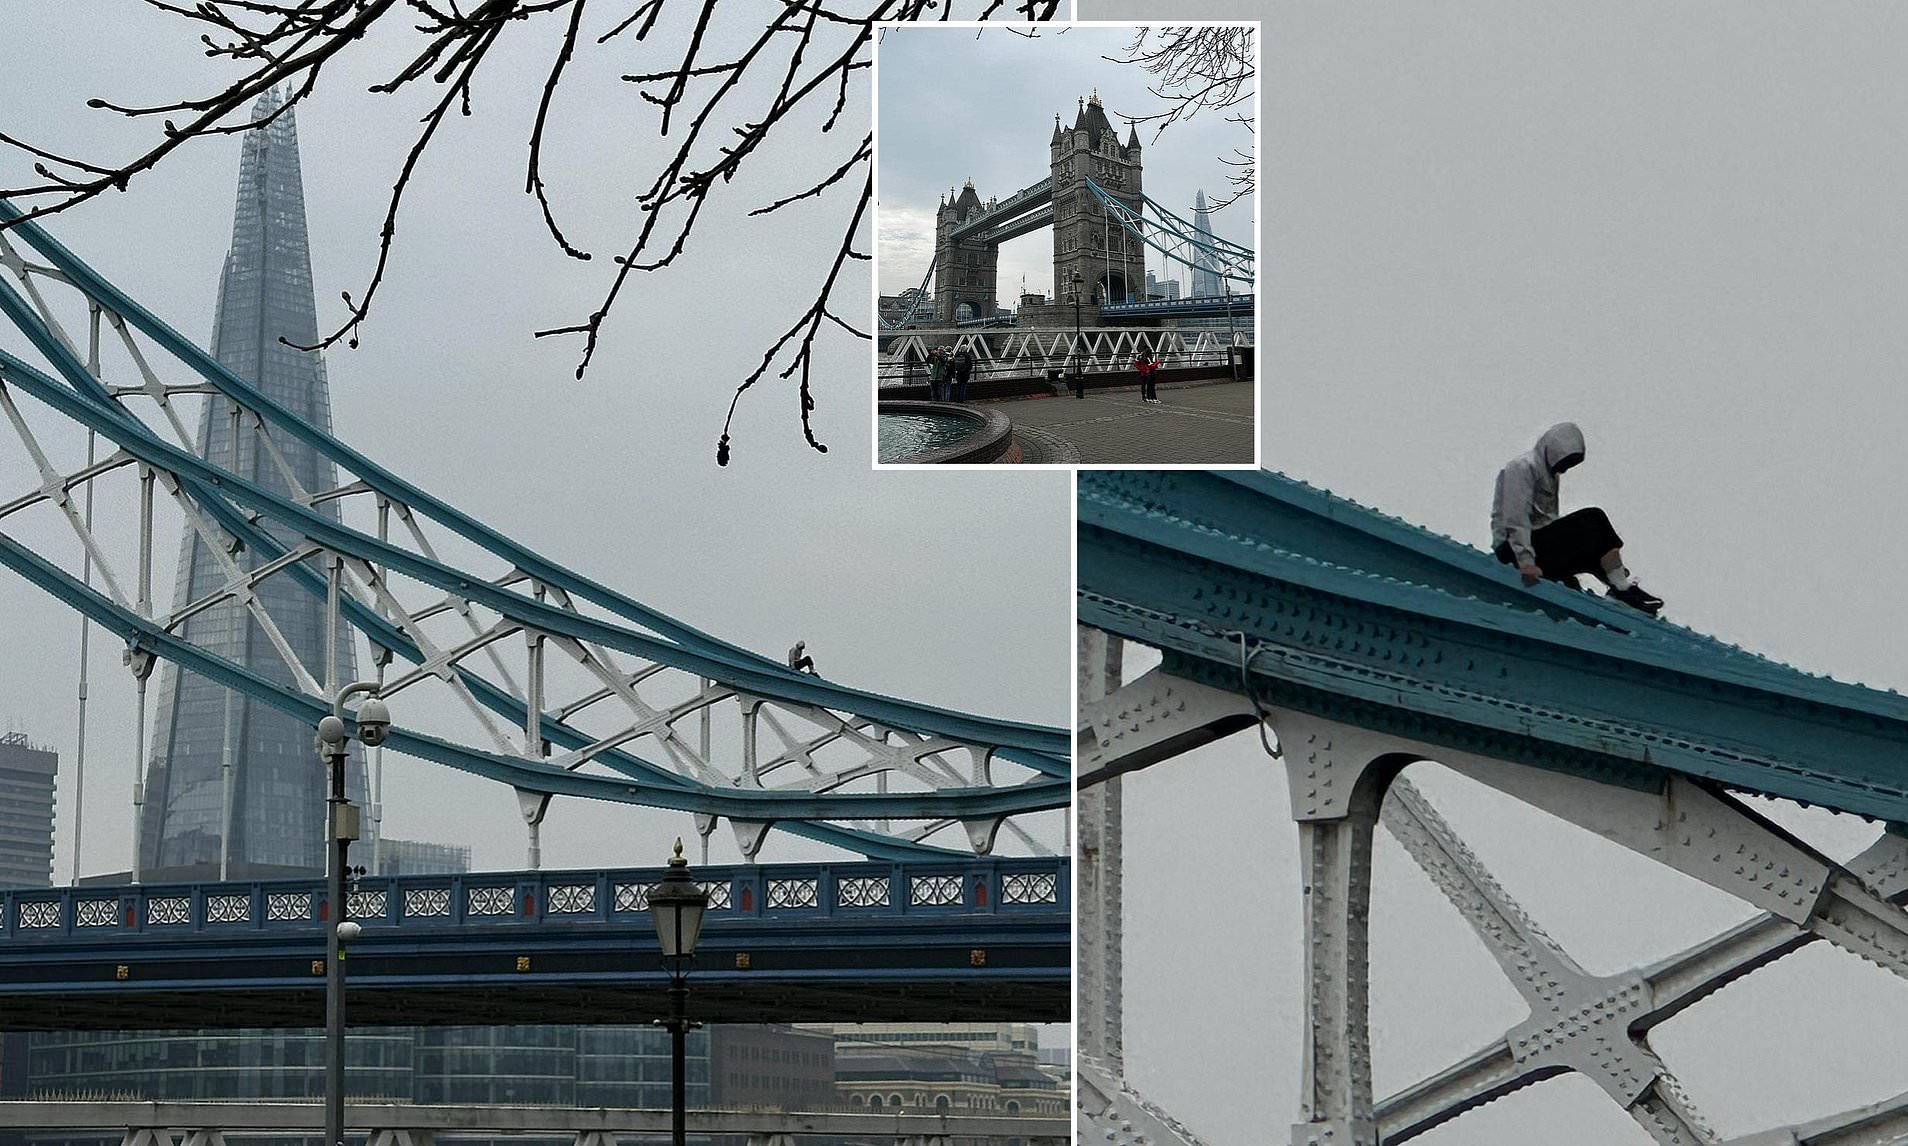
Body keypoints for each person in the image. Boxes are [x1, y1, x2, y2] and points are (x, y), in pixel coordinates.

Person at [1491, 422, 1663, 613]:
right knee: (1593, 518)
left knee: (1592, 546)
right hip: (1513, 552)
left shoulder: (1549, 476)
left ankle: (1621, 588)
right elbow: (1516, 522)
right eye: (1565, 462)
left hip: (1536, 547)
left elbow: (1548, 522)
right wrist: (1526, 563)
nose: (1565, 468)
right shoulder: (1521, 469)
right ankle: (1620, 587)